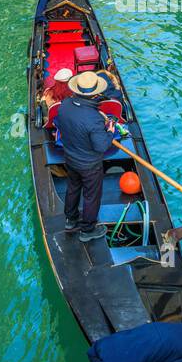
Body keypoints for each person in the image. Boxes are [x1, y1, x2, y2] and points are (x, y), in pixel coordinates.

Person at [55, 71, 118, 242]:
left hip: (70, 159)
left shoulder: (65, 105)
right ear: (95, 93)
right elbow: (101, 146)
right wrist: (110, 131)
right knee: (91, 196)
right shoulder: (94, 118)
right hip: (90, 165)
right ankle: (87, 230)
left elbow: (62, 125)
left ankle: (70, 221)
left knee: (73, 187)